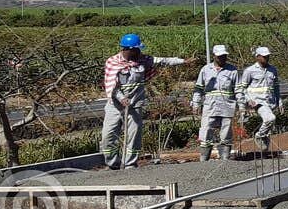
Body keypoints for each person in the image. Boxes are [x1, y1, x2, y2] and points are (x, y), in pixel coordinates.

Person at [100, 34, 187, 169]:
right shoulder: (112, 62)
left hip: (134, 106)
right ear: (128, 49)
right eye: (137, 49)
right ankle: (113, 164)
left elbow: (162, 61)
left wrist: (183, 61)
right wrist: (122, 98)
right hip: (115, 106)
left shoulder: (143, 60)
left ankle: (130, 164)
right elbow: (112, 86)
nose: (139, 52)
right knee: (108, 136)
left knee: (134, 136)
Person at [192, 44, 241, 161]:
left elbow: (238, 90)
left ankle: (225, 159)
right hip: (210, 106)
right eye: (220, 56)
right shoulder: (205, 70)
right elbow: (198, 88)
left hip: (227, 106)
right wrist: (196, 103)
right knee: (206, 131)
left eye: (224, 56)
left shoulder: (232, 70)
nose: (222, 58)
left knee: (226, 133)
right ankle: (204, 159)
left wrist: (242, 105)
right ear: (214, 56)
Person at [238, 45, 281, 152]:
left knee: (269, 126)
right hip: (257, 101)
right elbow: (242, 88)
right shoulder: (250, 71)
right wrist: (248, 100)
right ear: (257, 57)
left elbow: (276, 87)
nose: (266, 58)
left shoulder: (273, 70)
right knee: (270, 118)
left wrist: (279, 102)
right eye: (264, 56)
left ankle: (265, 149)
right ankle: (259, 135)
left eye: (267, 56)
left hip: (270, 101)